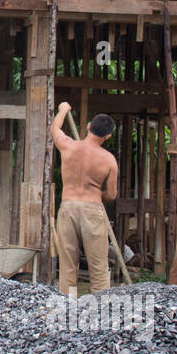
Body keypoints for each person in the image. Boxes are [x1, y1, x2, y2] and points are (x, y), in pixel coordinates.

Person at [50, 102, 119, 295]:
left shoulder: (68, 146)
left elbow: (54, 128)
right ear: (107, 136)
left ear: (88, 126)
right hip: (92, 210)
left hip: (68, 208)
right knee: (98, 268)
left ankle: (67, 309)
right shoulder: (108, 160)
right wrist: (96, 194)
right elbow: (112, 195)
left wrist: (63, 110)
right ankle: (101, 313)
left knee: (68, 266)